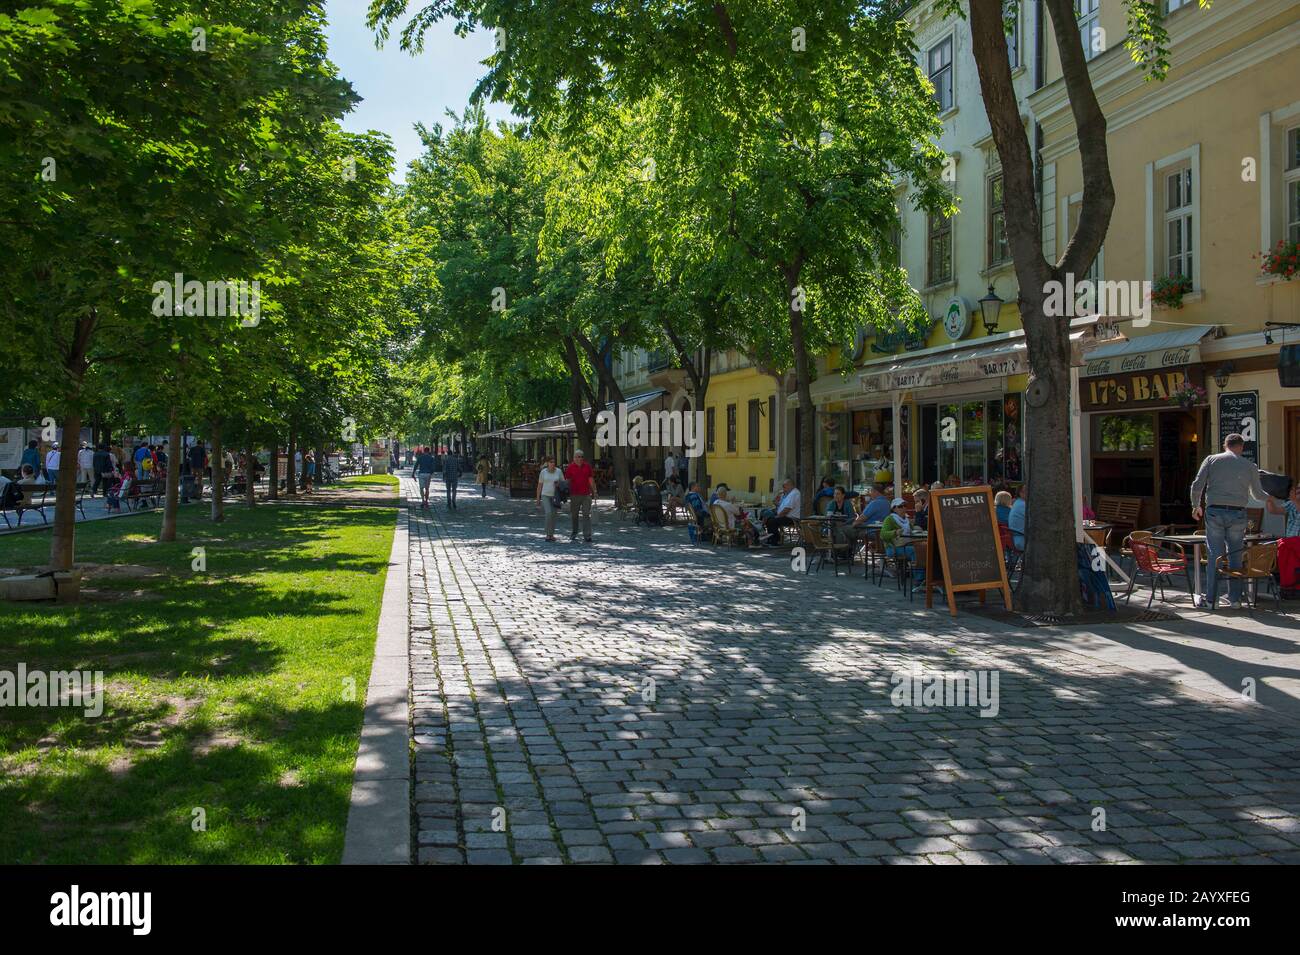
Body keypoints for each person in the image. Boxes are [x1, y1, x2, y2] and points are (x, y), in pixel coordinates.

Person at [1190, 433, 1267, 609]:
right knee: (1235, 556)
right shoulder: (1249, 466)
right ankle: (1235, 600)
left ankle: (1212, 600)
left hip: (1215, 511)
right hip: (1238, 513)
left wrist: (1196, 506)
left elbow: (1197, 485)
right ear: (1241, 447)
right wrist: (1272, 499)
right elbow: (1257, 494)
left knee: (1214, 556)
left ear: (1225, 445)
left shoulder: (1211, 460)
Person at [881, 497, 924, 582]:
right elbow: (882, 534)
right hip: (893, 548)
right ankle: (919, 579)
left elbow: (911, 530)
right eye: (900, 506)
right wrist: (895, 532)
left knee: (923, 547)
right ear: (894, 509)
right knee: (915, 551)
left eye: (905, 505)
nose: (903, 508)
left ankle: (925, 576)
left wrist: (917, 529)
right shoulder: (889, 519)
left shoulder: (906, 519)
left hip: (906, 544)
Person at [564, 448, 595, 542]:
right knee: (574, 515)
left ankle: (587, 535)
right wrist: (564, 491)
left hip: (586, 494)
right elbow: (567, 481)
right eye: (578, 457)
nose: (580, 458)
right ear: (574, 458)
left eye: (581, 457)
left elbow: (591, 479)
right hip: (574, 494)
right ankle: (574, 532)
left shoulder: (587, 466)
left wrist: (595, 491)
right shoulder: (570, 467)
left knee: (586, 514)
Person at [763, 478, 802, 545]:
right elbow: (781, 504)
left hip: (791, 518)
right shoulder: (790, 493)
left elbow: (787, 509)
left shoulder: (795, 494)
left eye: (784, 486)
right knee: (768, 517)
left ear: (790, 485)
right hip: (785, 516)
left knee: (772, 521)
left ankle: (774, 541)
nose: (783, 488)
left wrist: (778, 516)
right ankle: (771, 539)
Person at [535, 454, 564, 541]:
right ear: (547, 463)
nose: (553, 463)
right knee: (548, 513)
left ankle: (551, 534)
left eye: (554, 462)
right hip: (545, 495)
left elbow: (563, 483)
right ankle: (547, 534)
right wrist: (538, 499)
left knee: (554, 515)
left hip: (555, 496)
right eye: (551, 462)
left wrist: (558, 483)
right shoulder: (543, 472)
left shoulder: (559, 471)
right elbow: (539, 486)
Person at [1008, 483, 1028, 551]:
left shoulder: (1018, 503)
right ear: (1020, 493)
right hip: (1022, 540)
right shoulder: (1023, 505)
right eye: (1026, 491)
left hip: (1017, 539)